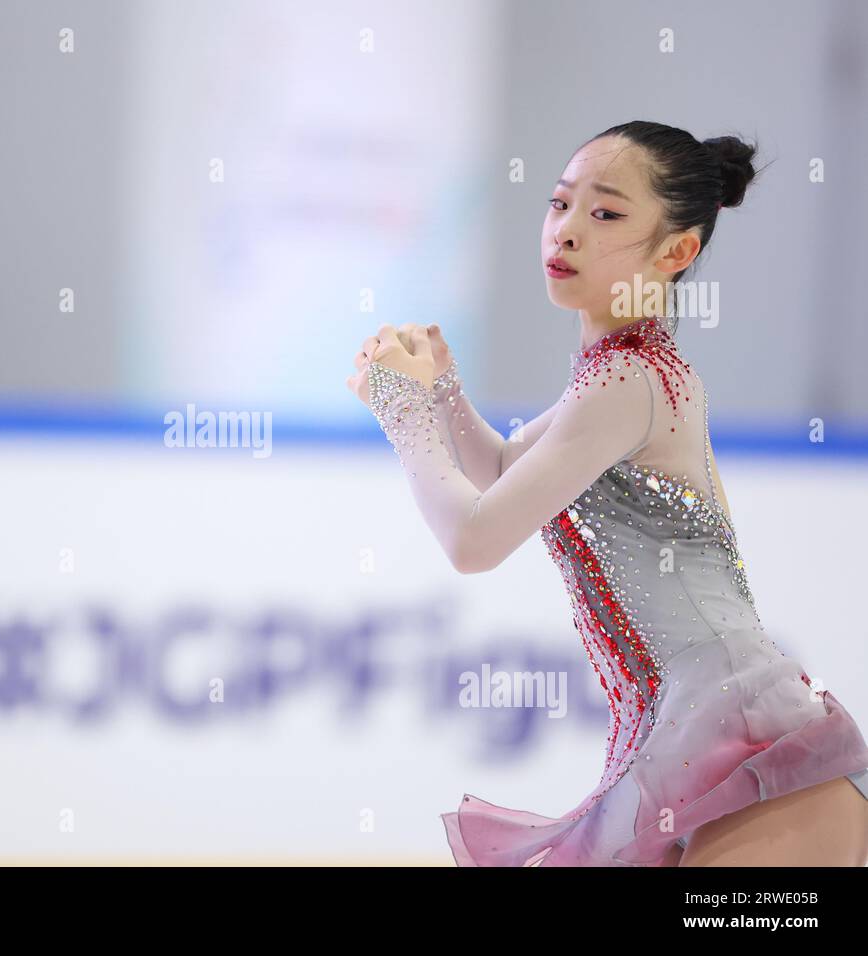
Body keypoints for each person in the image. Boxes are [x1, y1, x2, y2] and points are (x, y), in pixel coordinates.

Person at [345, 121, 868, 867]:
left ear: (676, 252)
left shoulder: (628, 380)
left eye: (607, 214)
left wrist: (404, 409)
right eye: (560, 205)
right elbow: (502, 478)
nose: (566, 231)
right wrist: (443, 395)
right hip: (685, 736)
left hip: (751, 748)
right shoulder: (615, 373)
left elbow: (474, 540)